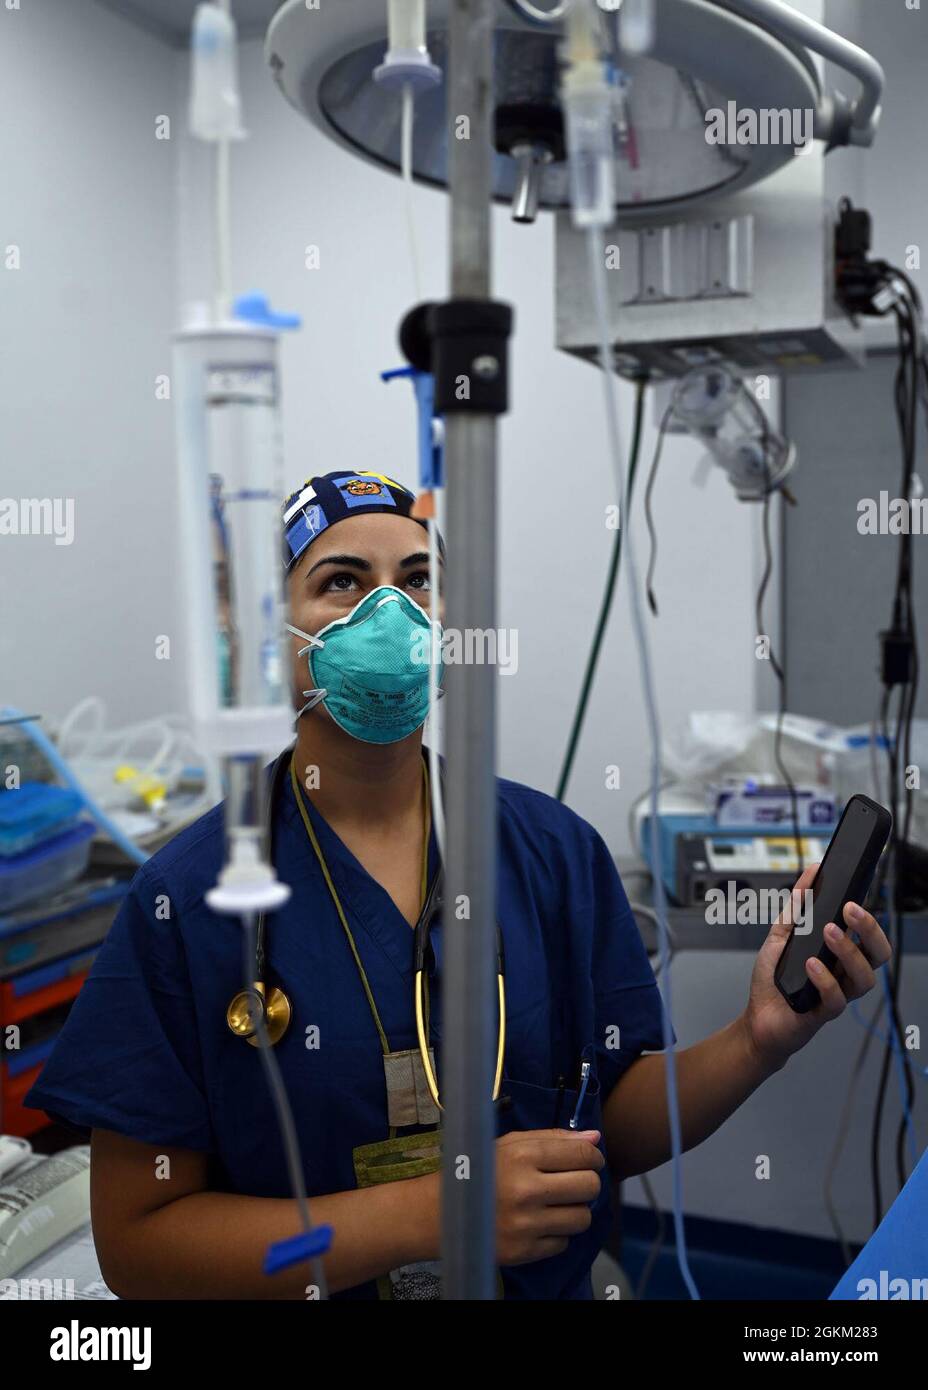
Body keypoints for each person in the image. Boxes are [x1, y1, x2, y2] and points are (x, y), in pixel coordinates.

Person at [25, 469, 892, 1301]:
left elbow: (611, 1124)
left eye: (417, 580)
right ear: (272, 636)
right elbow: (140, 1244)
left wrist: (757, 1040)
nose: (389, 612)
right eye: (341, 582)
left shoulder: (551, 853)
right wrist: (431, 1215)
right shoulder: (193, 896)